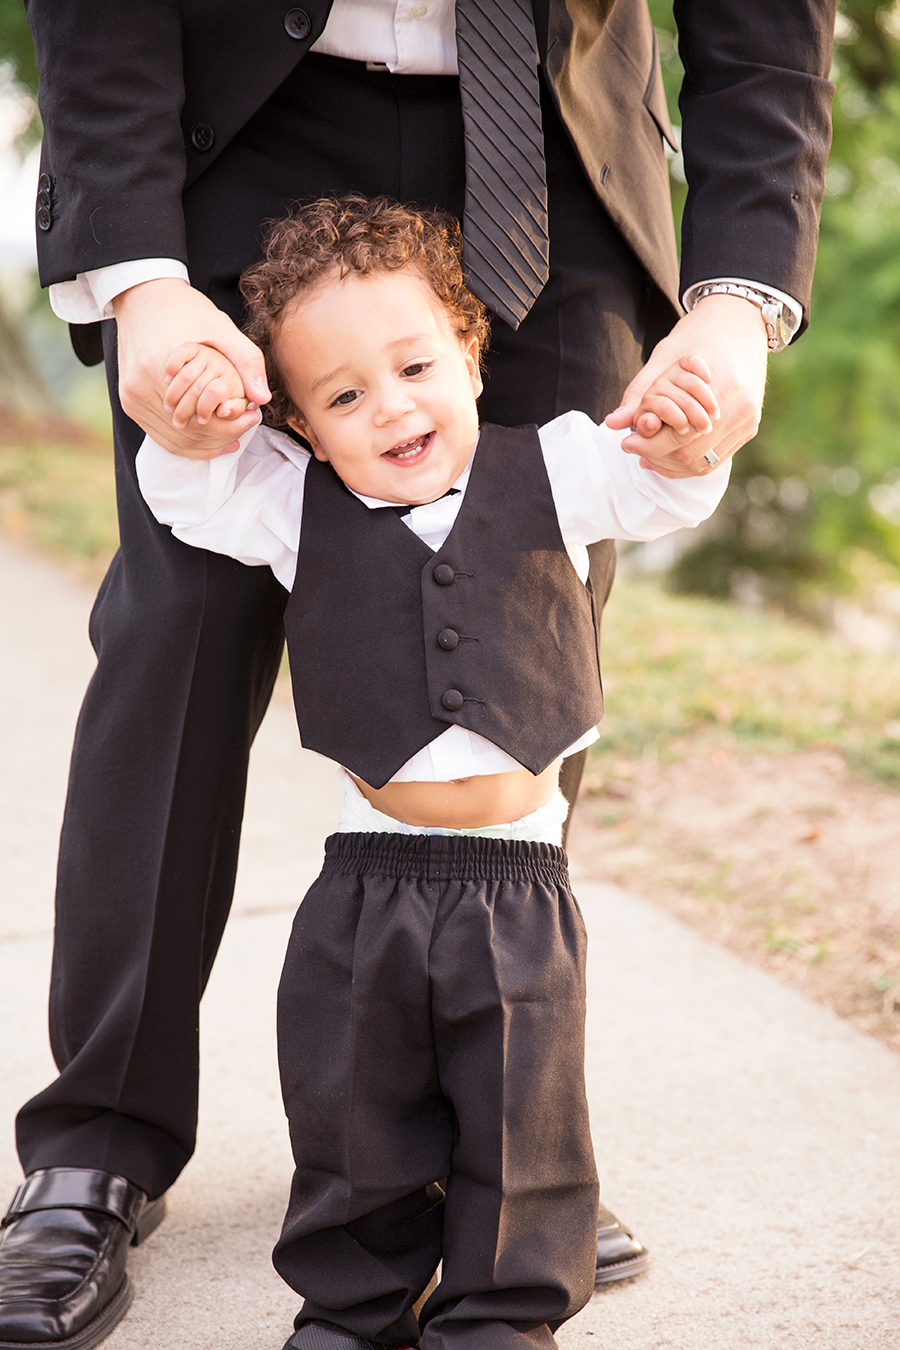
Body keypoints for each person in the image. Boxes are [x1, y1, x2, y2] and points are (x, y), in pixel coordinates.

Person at [1, 3, 835, 1347]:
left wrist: (738, 300)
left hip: (554, 155)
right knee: (181, 633)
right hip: (245, 126)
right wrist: (140, 279)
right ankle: (96, 1138)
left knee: (531, 662)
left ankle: (494, 1143)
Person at [136, 194, 731, 1350]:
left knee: (522, 1122)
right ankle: (355, 1306)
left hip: (519, 888)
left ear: (469, 351)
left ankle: (502, 1313)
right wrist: (195, 423)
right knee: (353, 1113)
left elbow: (664, 487)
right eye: (344, 395)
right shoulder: (294, 505)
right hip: (365, 885)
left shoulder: (555, 469)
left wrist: (688, 438)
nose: (390, 405)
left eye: (413, 365)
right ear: (302, 426)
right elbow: (190, 495)